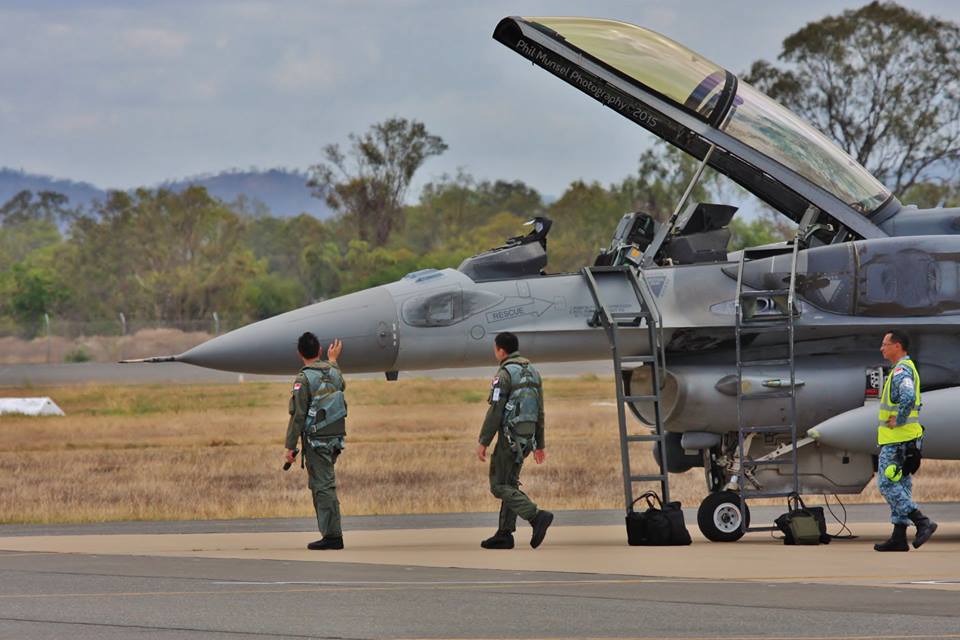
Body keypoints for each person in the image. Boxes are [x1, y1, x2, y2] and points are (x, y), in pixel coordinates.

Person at [476, 331, 553, 549]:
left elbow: (496, 410)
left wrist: (484, 441)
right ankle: (504, 534)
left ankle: (536, 516)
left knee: (499, 486)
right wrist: (540, 444)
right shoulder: (534, 372)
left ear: (500, 350)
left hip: (509, 439)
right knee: (510, 484)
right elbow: (540, 412)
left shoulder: (504, 375)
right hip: (527, 440)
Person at [874, 330, 937, 552]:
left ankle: (921, 521)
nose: (882, 348)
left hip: (897, 440)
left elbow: (908, 397)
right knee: (900, 484)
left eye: (885, 344)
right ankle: (898, 537)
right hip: (905, 439)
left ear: (897, 346)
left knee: (887, 483)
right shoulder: (904, 369)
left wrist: (898, 419)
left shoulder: (901, 371)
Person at [284, 332, 347, 550]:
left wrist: (290, 448)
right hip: (335, 439)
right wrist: (333, 360)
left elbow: (298, 416)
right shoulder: (334, 372)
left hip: (316, 442)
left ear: (299, 353)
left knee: (323, 486)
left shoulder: (303, 380)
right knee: (324, 483)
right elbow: (339, 382)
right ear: (319, 350)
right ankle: (331, 533)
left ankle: (332, 536)